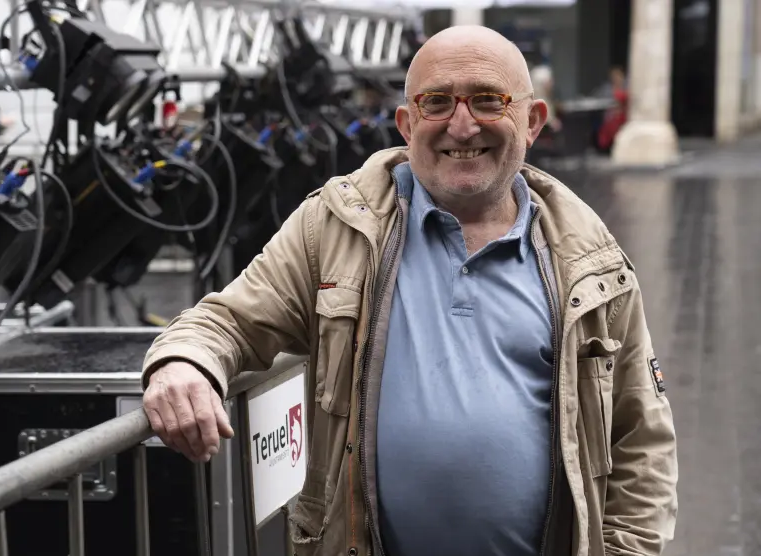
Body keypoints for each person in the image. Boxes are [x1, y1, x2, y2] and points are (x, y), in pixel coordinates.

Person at [140, 25, 678, 556]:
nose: (462, 126)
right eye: (436, 102)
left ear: (533, 121)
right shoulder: (336, 228)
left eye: (488, 100)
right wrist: (183, 363)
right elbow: (228, 320)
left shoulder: (591, 262)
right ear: (406, 123)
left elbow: (642, 440)